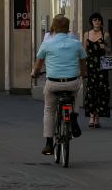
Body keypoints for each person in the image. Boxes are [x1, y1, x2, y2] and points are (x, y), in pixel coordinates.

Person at [31, 15, 86, 155]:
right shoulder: (76, 44)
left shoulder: (47, 44)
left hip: (53, 83)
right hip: (72, 82)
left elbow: (38, 65)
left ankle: (49, 143)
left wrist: (34, 73)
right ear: (68, 28)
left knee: (49, 110)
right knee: (76, 91)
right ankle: (74, 117)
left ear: (54, 28)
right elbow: (83, 63)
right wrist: (83, 74)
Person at [84, 12, 111, 129]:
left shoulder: (106, 35)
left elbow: (110, 50)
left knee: (101, 91)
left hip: (101, 67)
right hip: (90, 66)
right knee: (91, 90)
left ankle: (97, 117)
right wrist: (83, 67)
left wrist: (105, 47)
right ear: (91, 22)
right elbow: (84, 51)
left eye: (99, 20)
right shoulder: (86, 34)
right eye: (95, 20)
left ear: (101, 22)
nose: (97, 22)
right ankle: (91, 117)